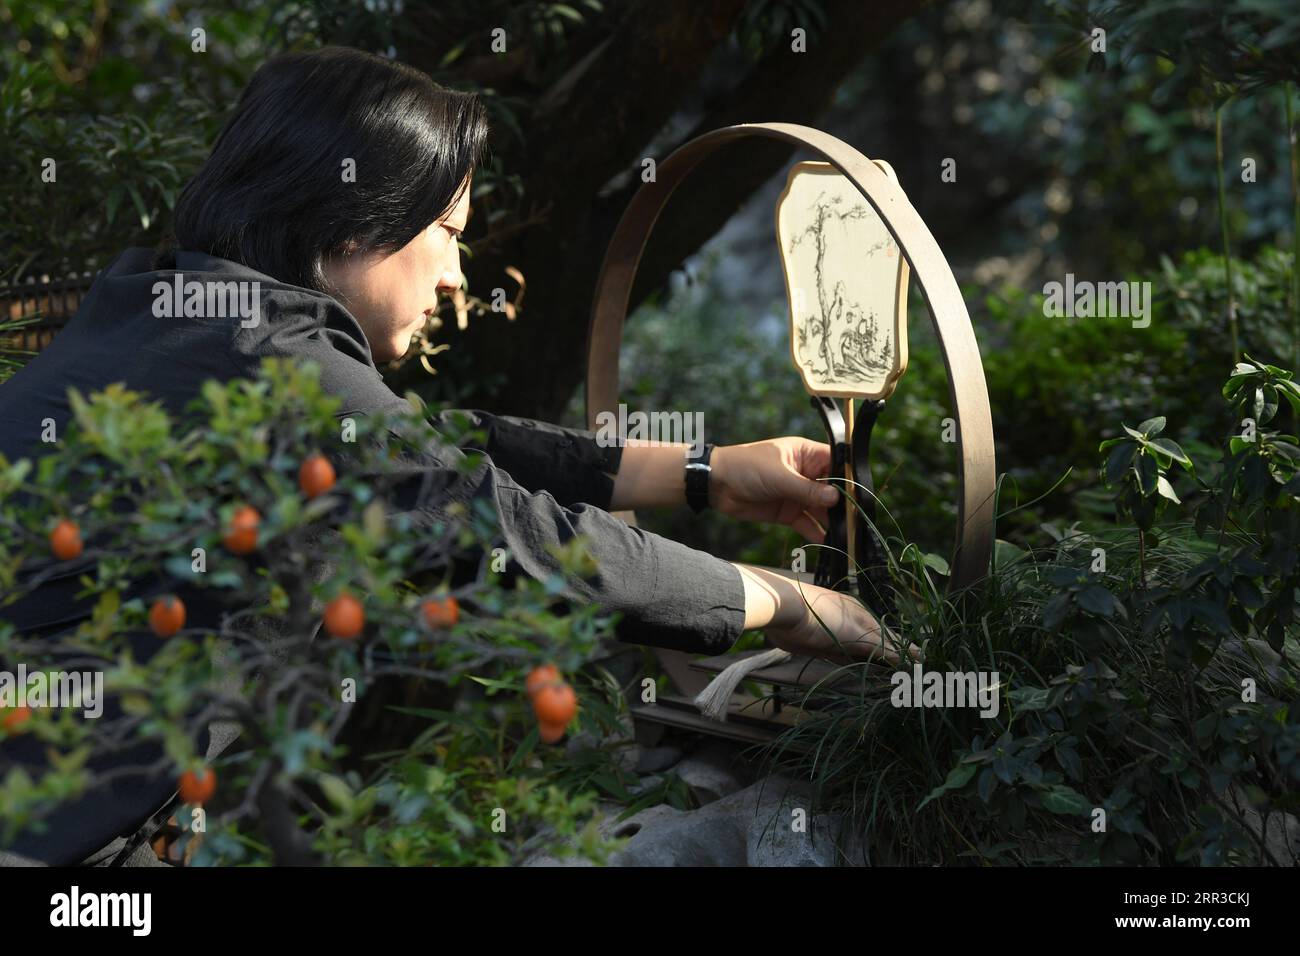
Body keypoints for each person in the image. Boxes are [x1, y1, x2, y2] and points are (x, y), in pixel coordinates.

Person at [0, 46, 889, 864]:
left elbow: (438, 452)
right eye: (452, 231)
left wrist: (706, 469)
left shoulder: (174, 311)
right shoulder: (273, 364)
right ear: (354, 220)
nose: (460, 277)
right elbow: (504, 530)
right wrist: (787, 601)